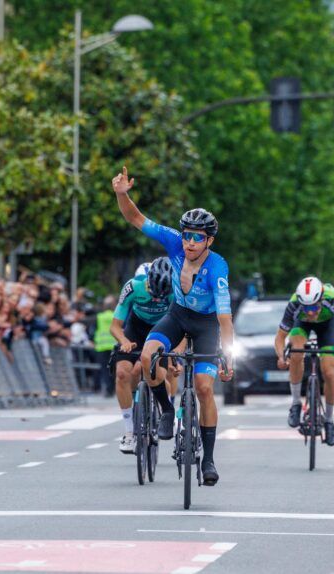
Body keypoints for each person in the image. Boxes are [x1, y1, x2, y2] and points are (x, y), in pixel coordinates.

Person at [112, 166, 233, 486]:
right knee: (148, 356)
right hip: (177, 314)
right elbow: (136, 219)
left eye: (197, 237)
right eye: (187, 235)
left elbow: (224, 317)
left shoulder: (217, 266)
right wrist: (122, 194)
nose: (190, 242)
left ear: (209, 240)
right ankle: (166, 409)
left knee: (205, 389)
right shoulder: (174, 243)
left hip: (207, 325)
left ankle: (208, 459)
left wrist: (228, 355)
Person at [274, 276, 334, 447]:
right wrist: (281, 357)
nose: (310, 312)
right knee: (296, 352)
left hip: (327, 327)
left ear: (322, 298)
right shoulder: (295, 304)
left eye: (314, 306)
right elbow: (280, 337)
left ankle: (329, 421)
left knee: (329, 371)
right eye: (307, 307)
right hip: (301, 325)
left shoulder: (333, 299)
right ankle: (296, 403)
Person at [110, 257, 178, 454]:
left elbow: (180, 322)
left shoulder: (176, 290)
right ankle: (130, 431)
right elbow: (115, 325)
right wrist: (123, 341)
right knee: (123, 373)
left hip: (162, 329)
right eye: (154, 293)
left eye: (162, 296)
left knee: (158, 375)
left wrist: (173, 355)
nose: (157, 299)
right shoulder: (133, 286)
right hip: (136, 329)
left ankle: (166, 411)